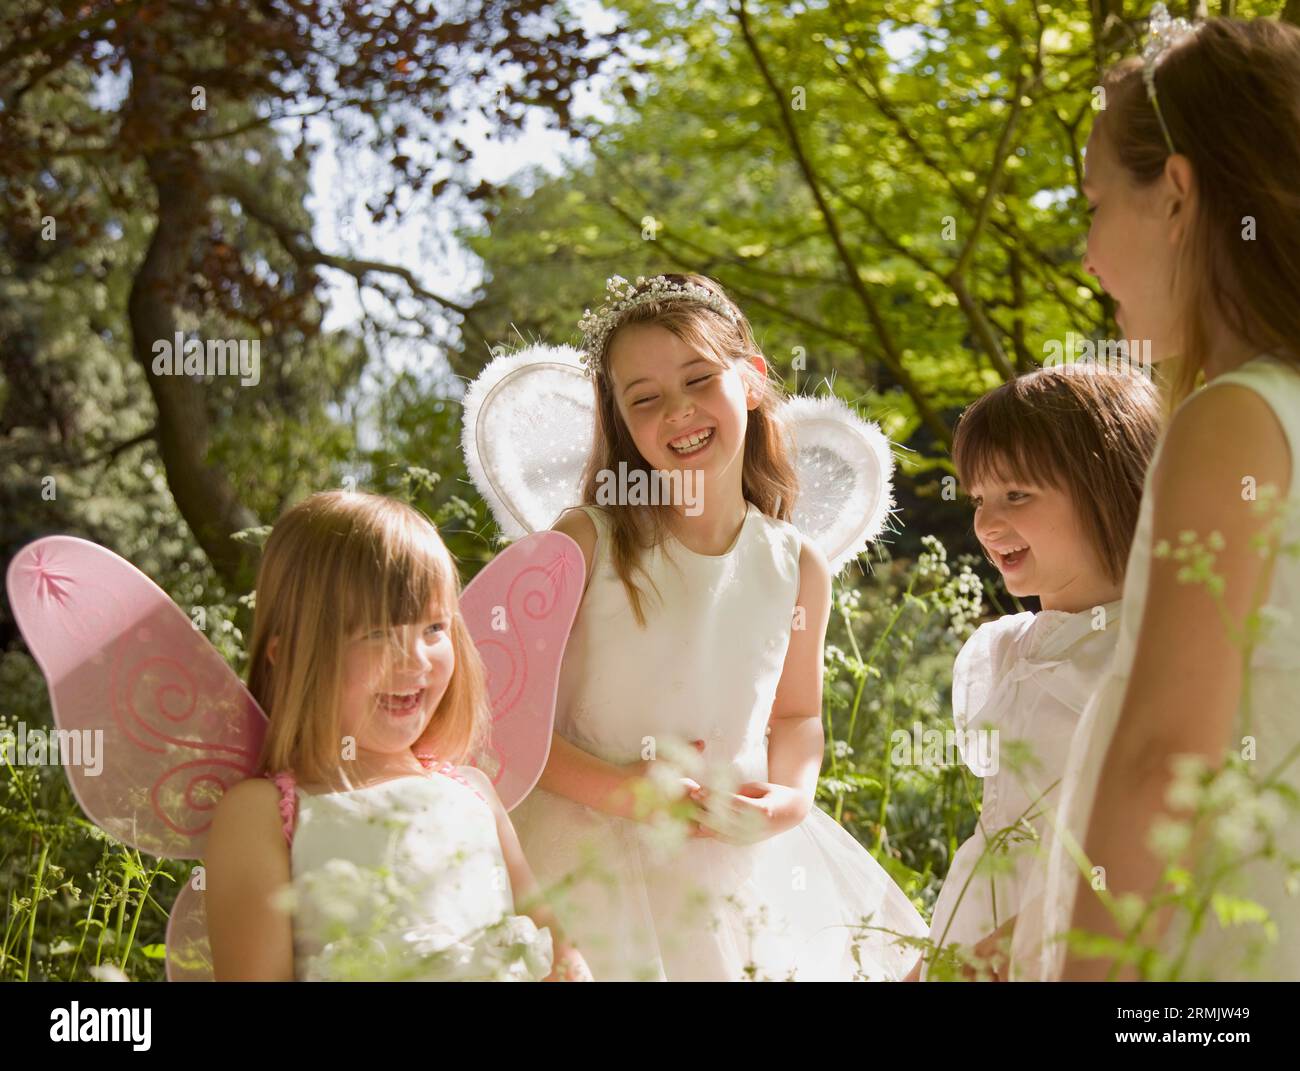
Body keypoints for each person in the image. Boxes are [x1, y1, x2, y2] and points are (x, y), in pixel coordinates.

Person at [205, 490, 590, 981]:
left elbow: (559, 952)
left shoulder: (473, 792)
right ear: (289, 655)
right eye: (377, 634)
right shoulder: (266, 812)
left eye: (433, 627)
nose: (415, 660)